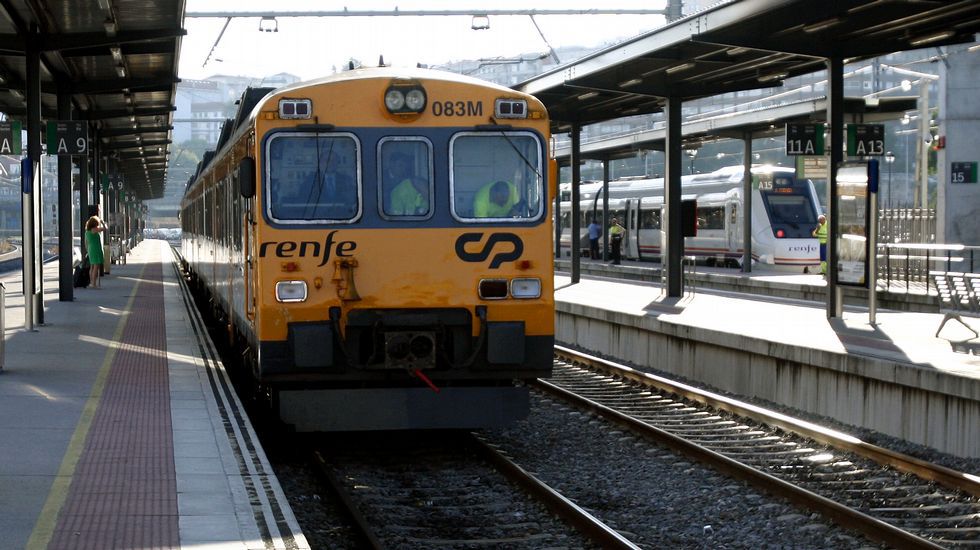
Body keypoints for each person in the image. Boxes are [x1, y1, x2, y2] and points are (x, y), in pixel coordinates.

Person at [85, 215, 105, 289]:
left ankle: (91, 282)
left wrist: (87, 250)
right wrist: (102, 223)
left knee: (92, 266)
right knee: (96, 267)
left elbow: (86, 243)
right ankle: (93, 283)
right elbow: (105, 229)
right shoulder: (94, 230)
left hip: (90, 249)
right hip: (96, 249)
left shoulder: (87, 232)